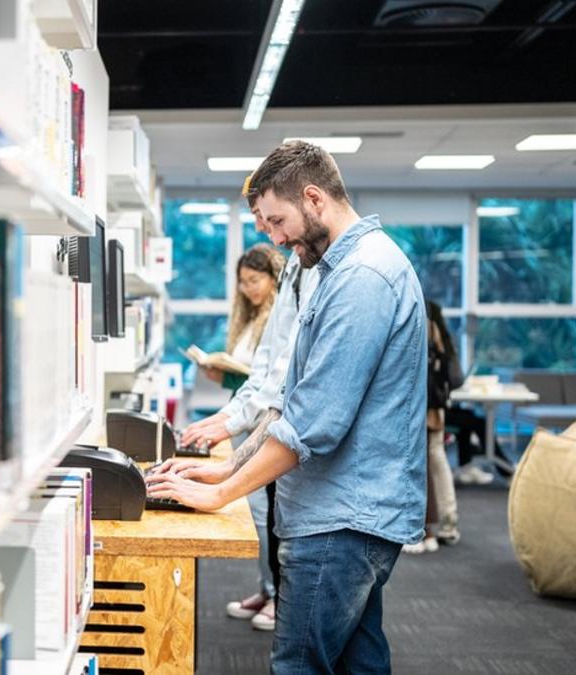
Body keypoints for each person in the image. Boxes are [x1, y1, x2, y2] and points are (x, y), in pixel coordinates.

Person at [149, 140, 427, 674]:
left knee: (298, 666)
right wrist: (227, 465)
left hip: (341, 520)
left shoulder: (361, 279)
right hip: (345, 516)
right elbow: (289, 399)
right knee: (358, 663)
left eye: (278, 221)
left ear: (315, 198)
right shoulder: (333, 270)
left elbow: (312, 425)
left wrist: (225, 492)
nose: (275, 239)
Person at [177, 183, 321, 632]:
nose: (269, 232)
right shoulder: (296, 275)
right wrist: (226, 421)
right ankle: (272, 591)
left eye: (272, 220)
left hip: (285, 432)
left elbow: (282, 376)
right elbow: (265, 370)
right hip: (259, 421)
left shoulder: (319, 277)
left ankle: (281, 598)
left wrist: (226, 449)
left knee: (276, 521)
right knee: (265, 518)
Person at [404, 300, 463, 554]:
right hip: (436, 406)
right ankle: (448, 522)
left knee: (424, 464)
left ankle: (425, 529)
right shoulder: (438, 324)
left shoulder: (420, 321)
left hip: (423, 406)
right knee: (437, 460)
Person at [203, 244, 285, 397]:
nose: (248, 288)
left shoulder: (278, 320)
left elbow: (271, 383)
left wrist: (227, 379)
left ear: (273, 278)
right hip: (241, 407)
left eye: (254, 281)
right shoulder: (251, 320)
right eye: (244, 283)